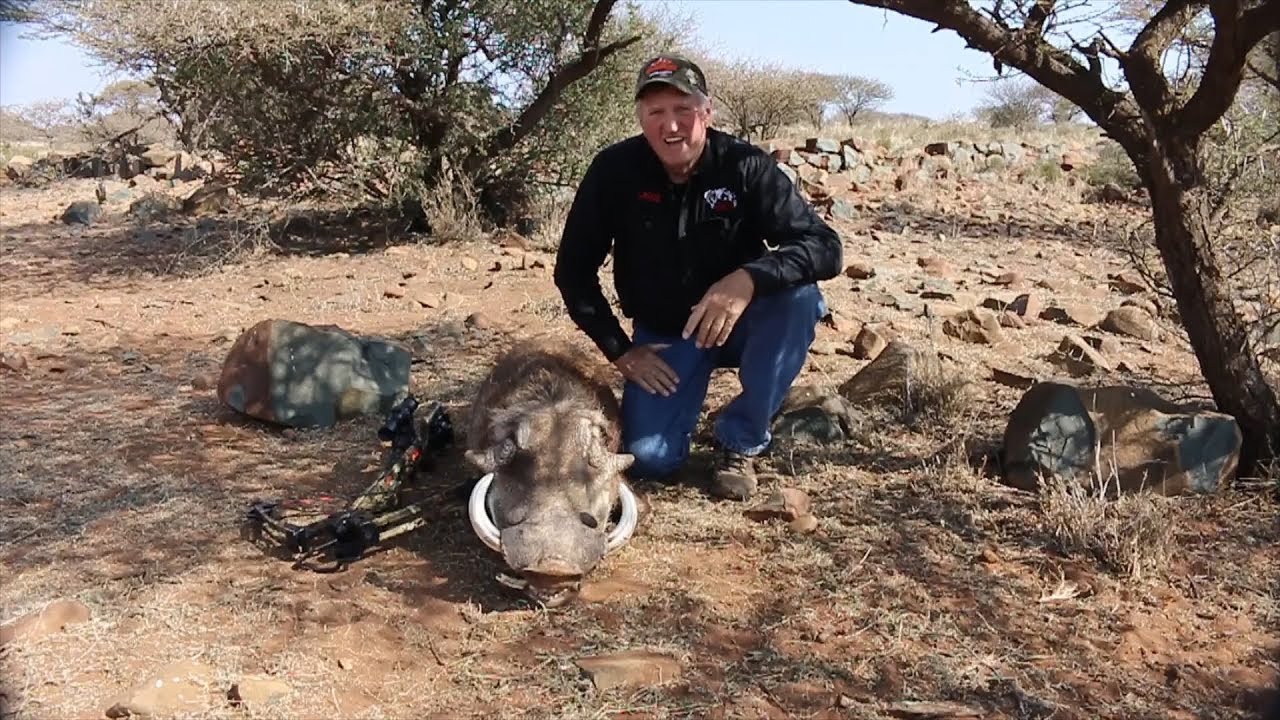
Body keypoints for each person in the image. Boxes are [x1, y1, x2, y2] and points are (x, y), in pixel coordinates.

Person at [552, 53, 843, 501]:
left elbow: (824, 246)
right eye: (656, 113)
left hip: (742, 323)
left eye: (683, 110)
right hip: (667, 336)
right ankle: (687, 412)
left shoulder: (745, 166)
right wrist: (622, 352)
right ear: (641, 118)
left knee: (799, 300)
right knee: (650, 460)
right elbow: (573, 272)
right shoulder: (613, 171)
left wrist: (749, 278)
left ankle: (741, 438)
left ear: (707, 112)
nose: (671, 126)